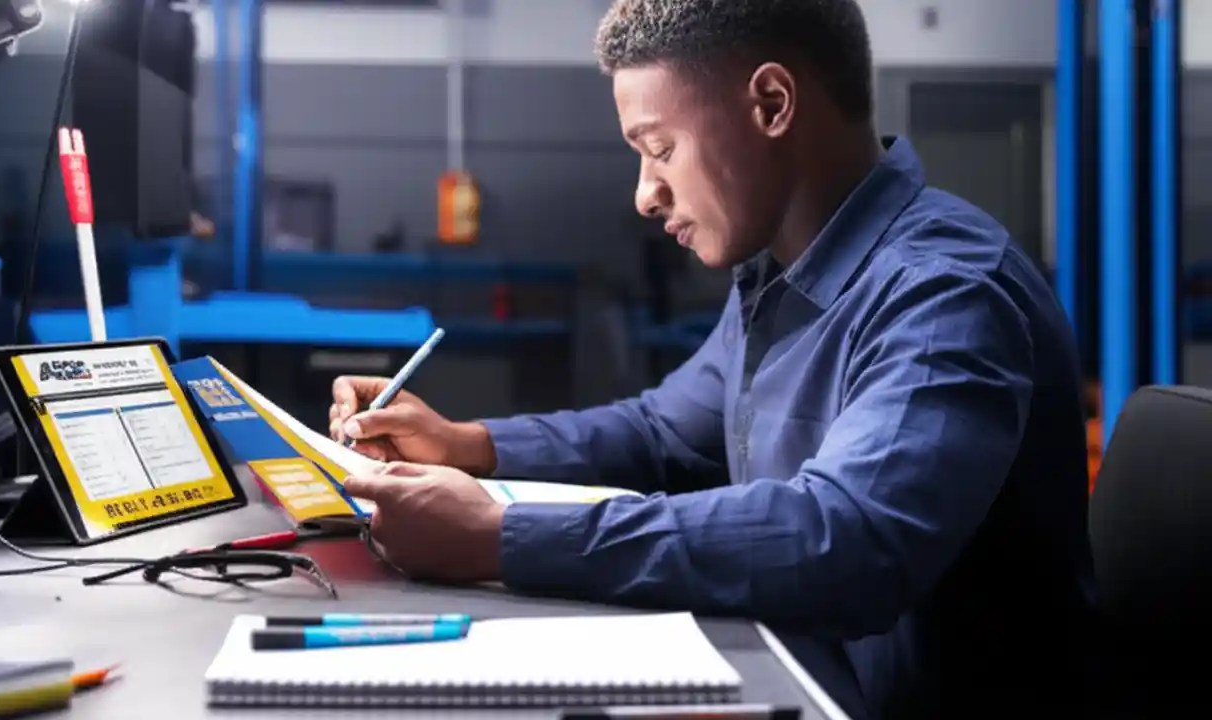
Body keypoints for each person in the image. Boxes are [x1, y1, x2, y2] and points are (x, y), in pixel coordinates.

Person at [330, 1, 1099, 717]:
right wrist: (468, 445)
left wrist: (501, 536)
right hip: (803, 673)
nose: (644, 193)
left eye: (660, 148)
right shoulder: (778, 275)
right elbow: (664, 432)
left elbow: (849, 540)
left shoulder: (943, 294)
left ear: (770, 104)